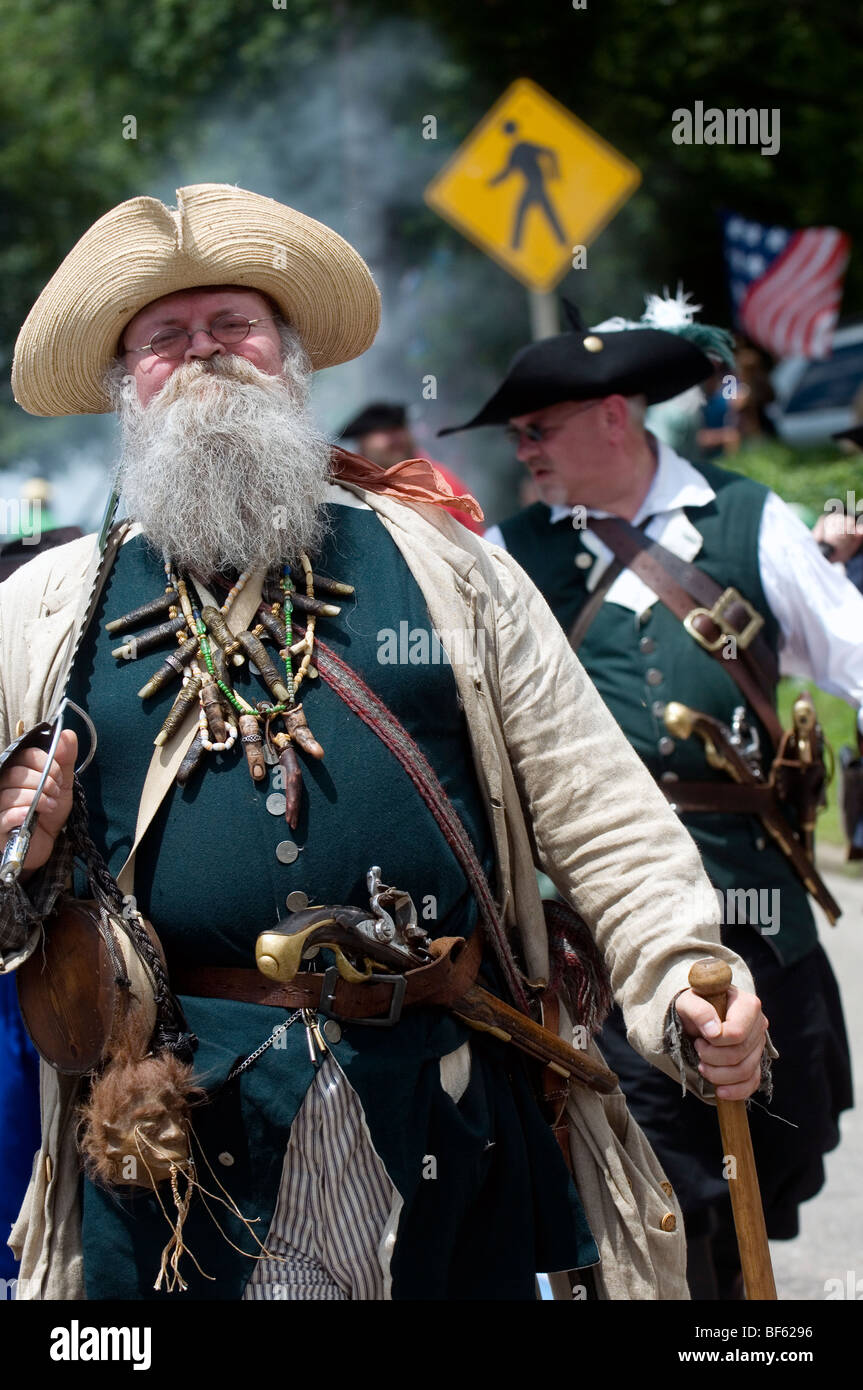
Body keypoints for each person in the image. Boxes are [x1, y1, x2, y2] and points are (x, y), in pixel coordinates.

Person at [0, 187, 768, 1303]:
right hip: (165, 1127)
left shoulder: (450, 565)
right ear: (127, 384)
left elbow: (599, 811)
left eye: (234, 328)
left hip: (439, 1097)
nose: (205, 354)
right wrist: (20, 853)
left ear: (288, 357)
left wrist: (679, 979)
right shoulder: (44, 614)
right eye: (165, 338)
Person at [444, 297, 857, 1299]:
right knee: (647, 1194)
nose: (522, 449)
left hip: (757, 923)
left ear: (615, 418)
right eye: (515, 433)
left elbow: (851, 656)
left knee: (757, 1172)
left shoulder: (748, 521)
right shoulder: (505, 556)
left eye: (536, 428)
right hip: (595, 945)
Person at [337, 401, 484, 534]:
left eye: (398, 428)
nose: (394, 437)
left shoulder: (442, 483)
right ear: (362, 442)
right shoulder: (347, 489)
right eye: (383, 430)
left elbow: (476, 540)